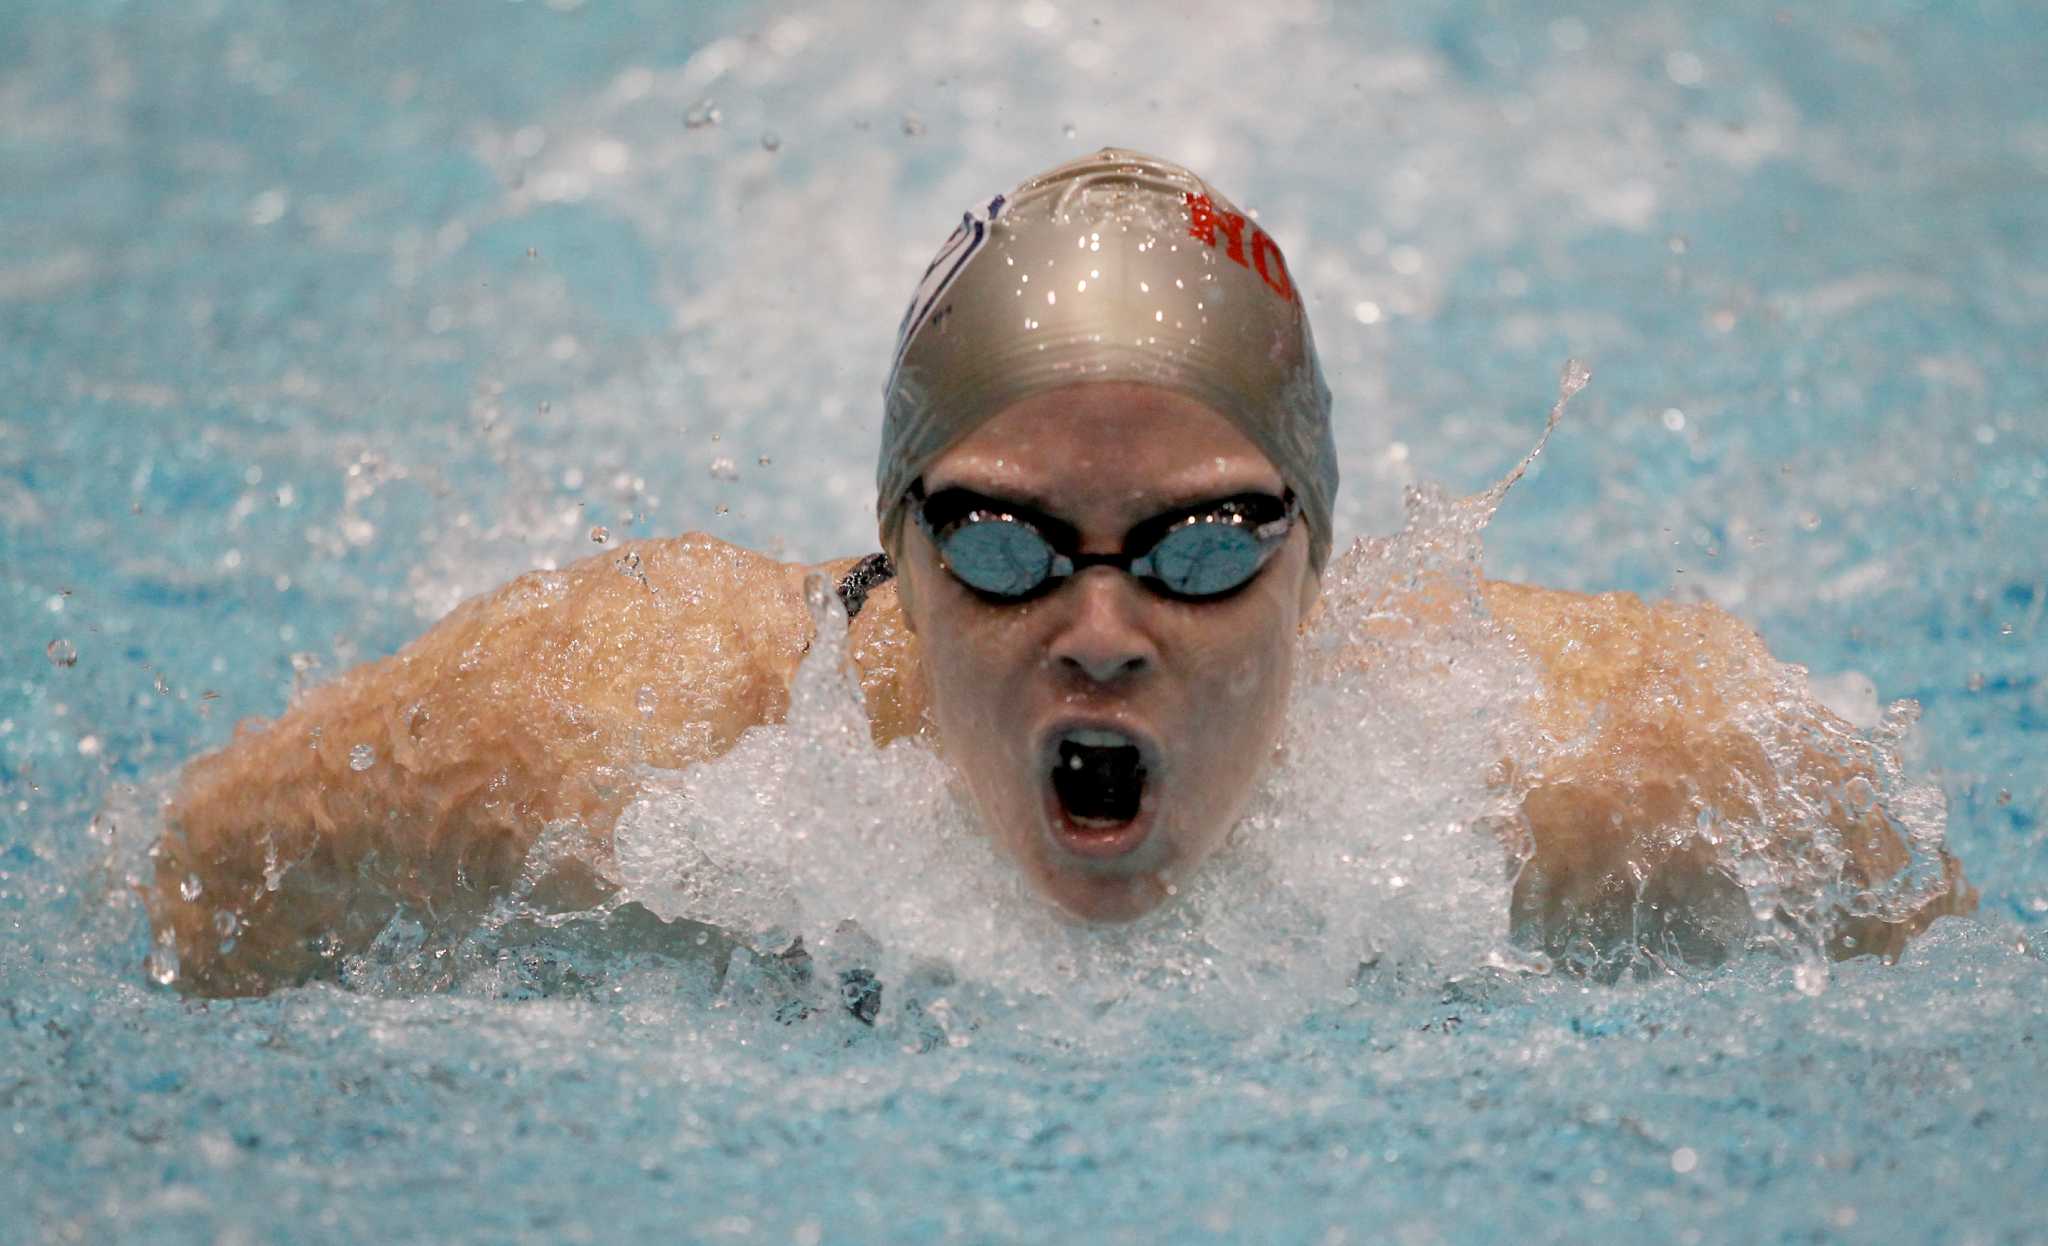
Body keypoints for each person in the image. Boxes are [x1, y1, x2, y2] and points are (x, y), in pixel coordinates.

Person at [148, 149, 1973, 996]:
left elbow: (1942, 953)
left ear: (1318, 572)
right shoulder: (613, 740)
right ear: (895, 557)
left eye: (1200, 547)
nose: (1102, 636)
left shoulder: (1615, 775)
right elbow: (187, 899)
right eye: (1006, 543)